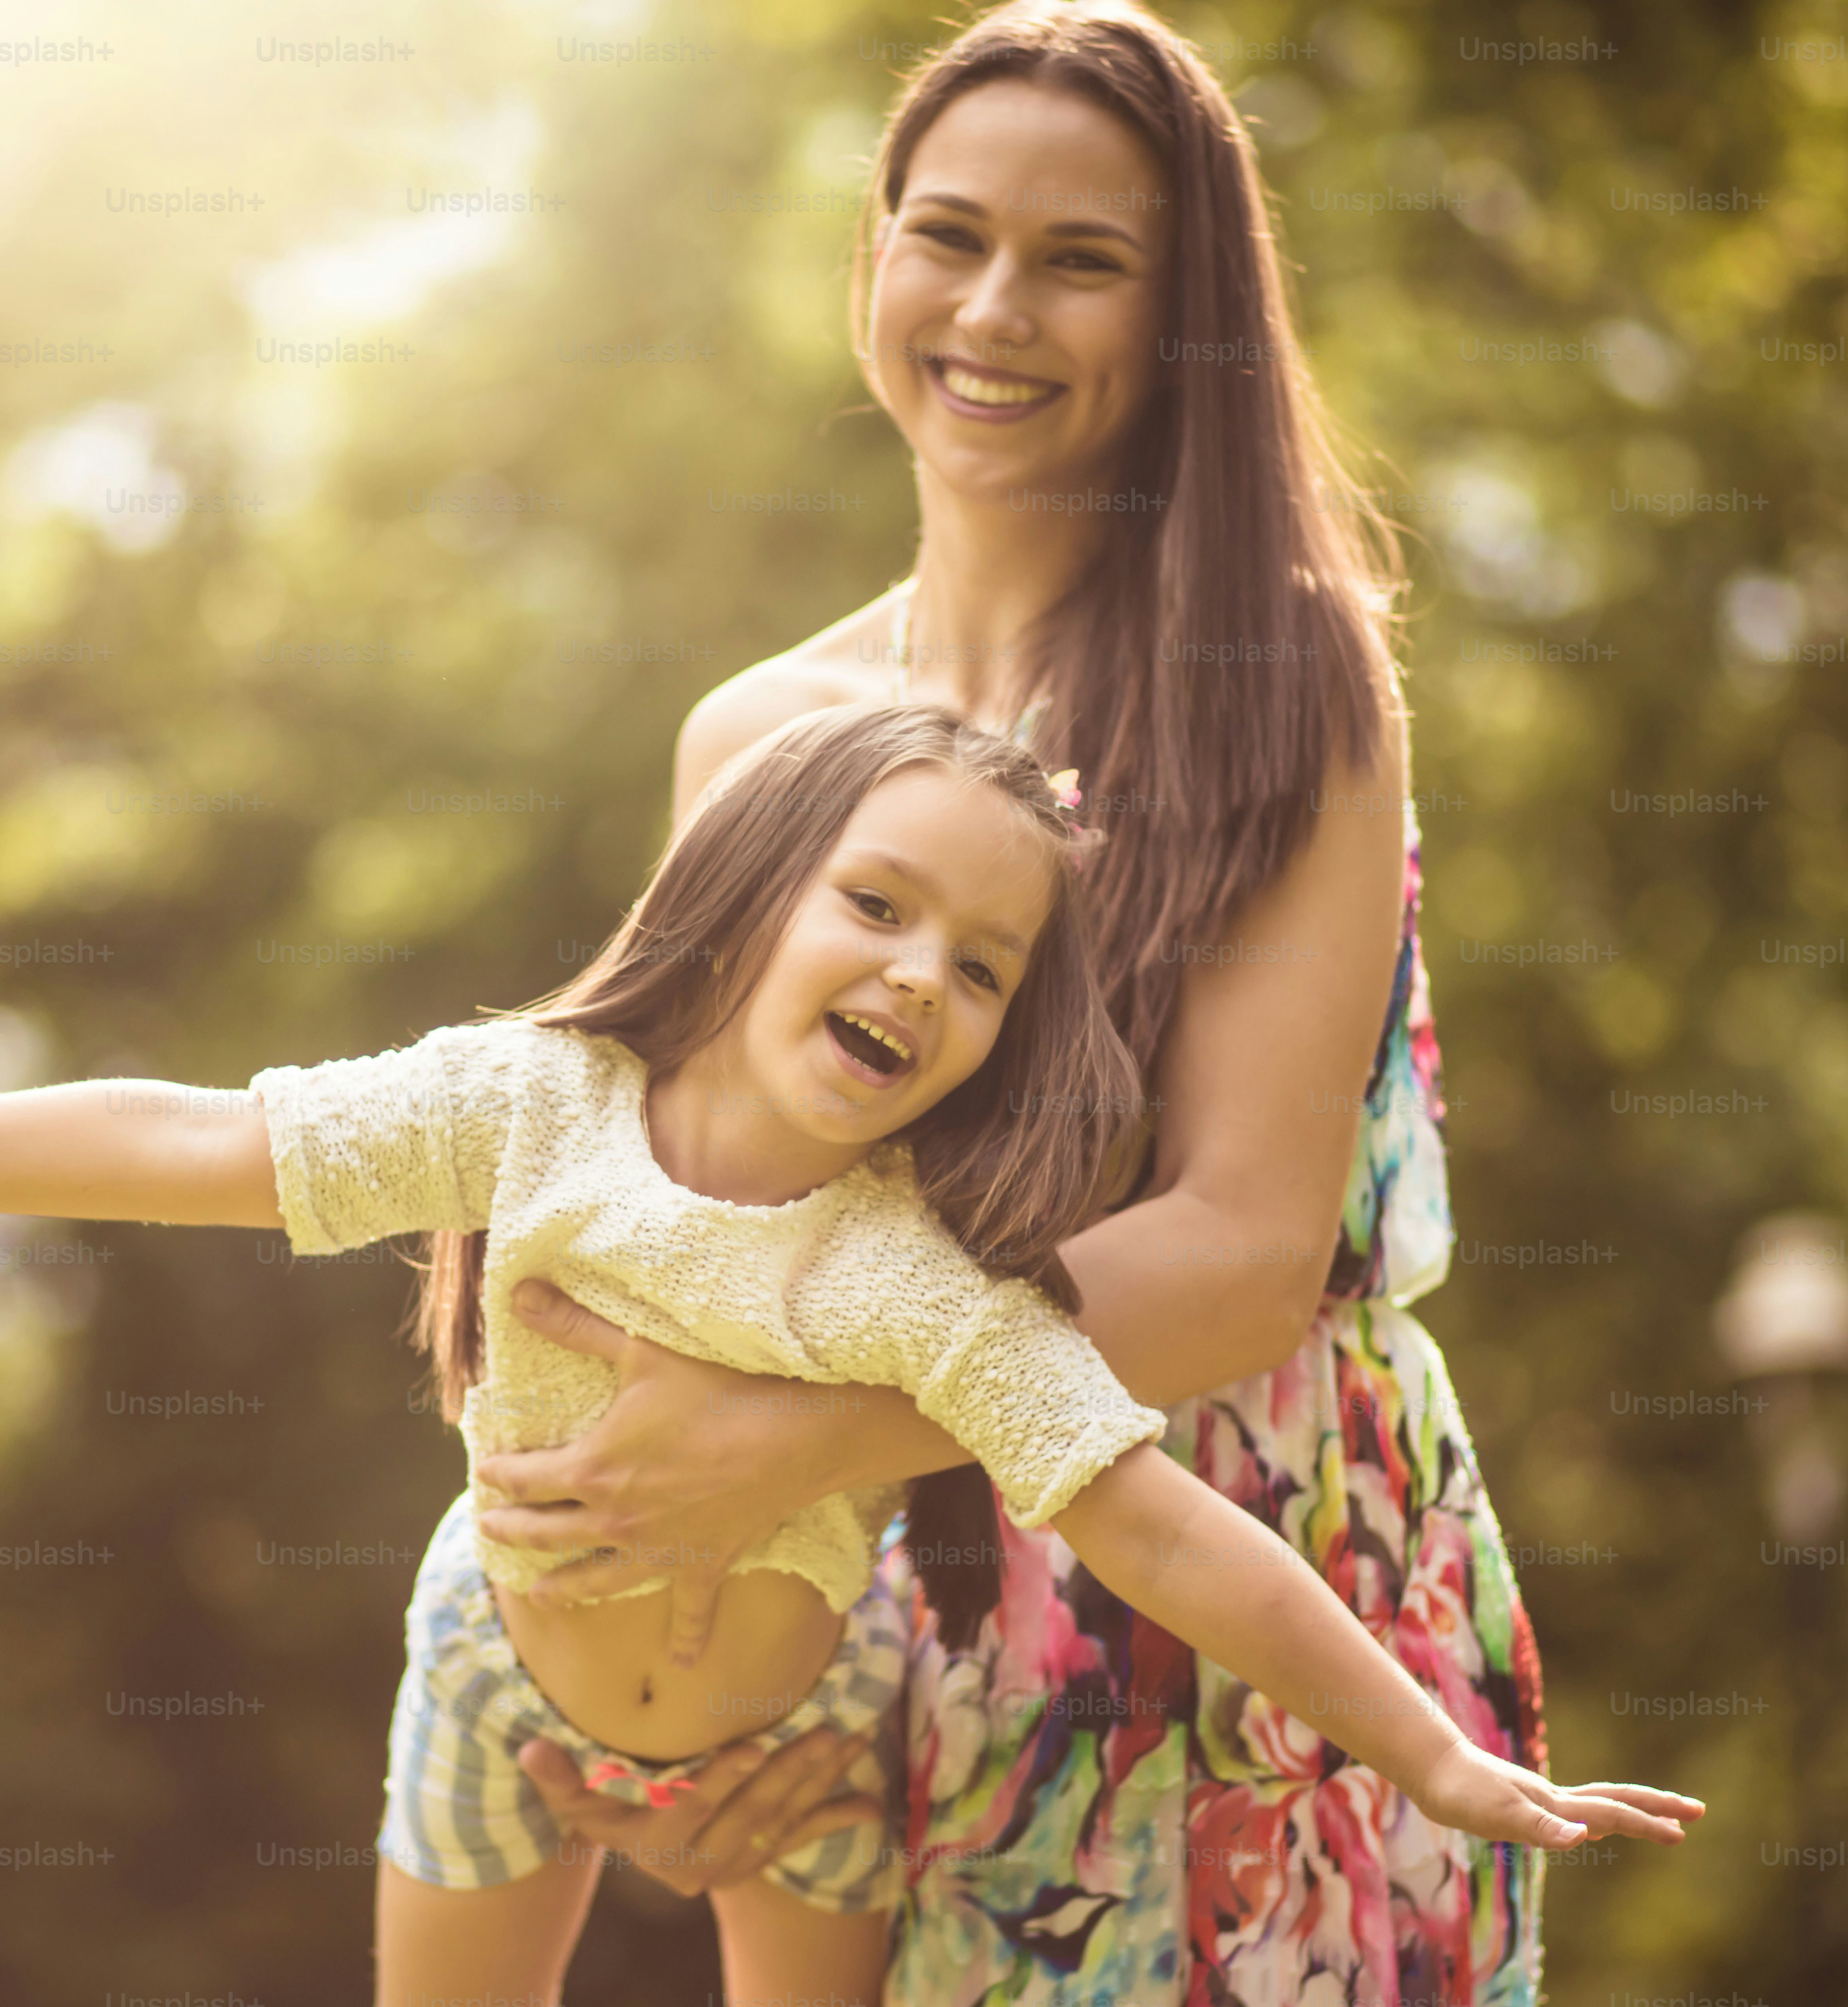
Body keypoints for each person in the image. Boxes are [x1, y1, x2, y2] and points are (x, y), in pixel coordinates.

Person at [0, 707, 1697, 2007]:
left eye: (982, 967)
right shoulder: (524, 1106)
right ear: (753, 886)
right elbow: (191, 1137)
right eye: (877, 904)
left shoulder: (908, 1282)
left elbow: (1157, 1528)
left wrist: (1431, 1752)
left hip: (805, 1739)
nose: (920, 974)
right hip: (494, 1667)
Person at [461, 5, 1603, 2000]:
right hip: (919, 1621)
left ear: (1184, 324)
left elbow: (1243, 1253)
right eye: (950, 234)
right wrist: (700, 1701)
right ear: (875, 254)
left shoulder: (1283, 676)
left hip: (1270, 1606)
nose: (995, 308)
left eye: (1083, 261)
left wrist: (791, 1441)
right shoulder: (753, 742)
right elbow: (685, 1250)